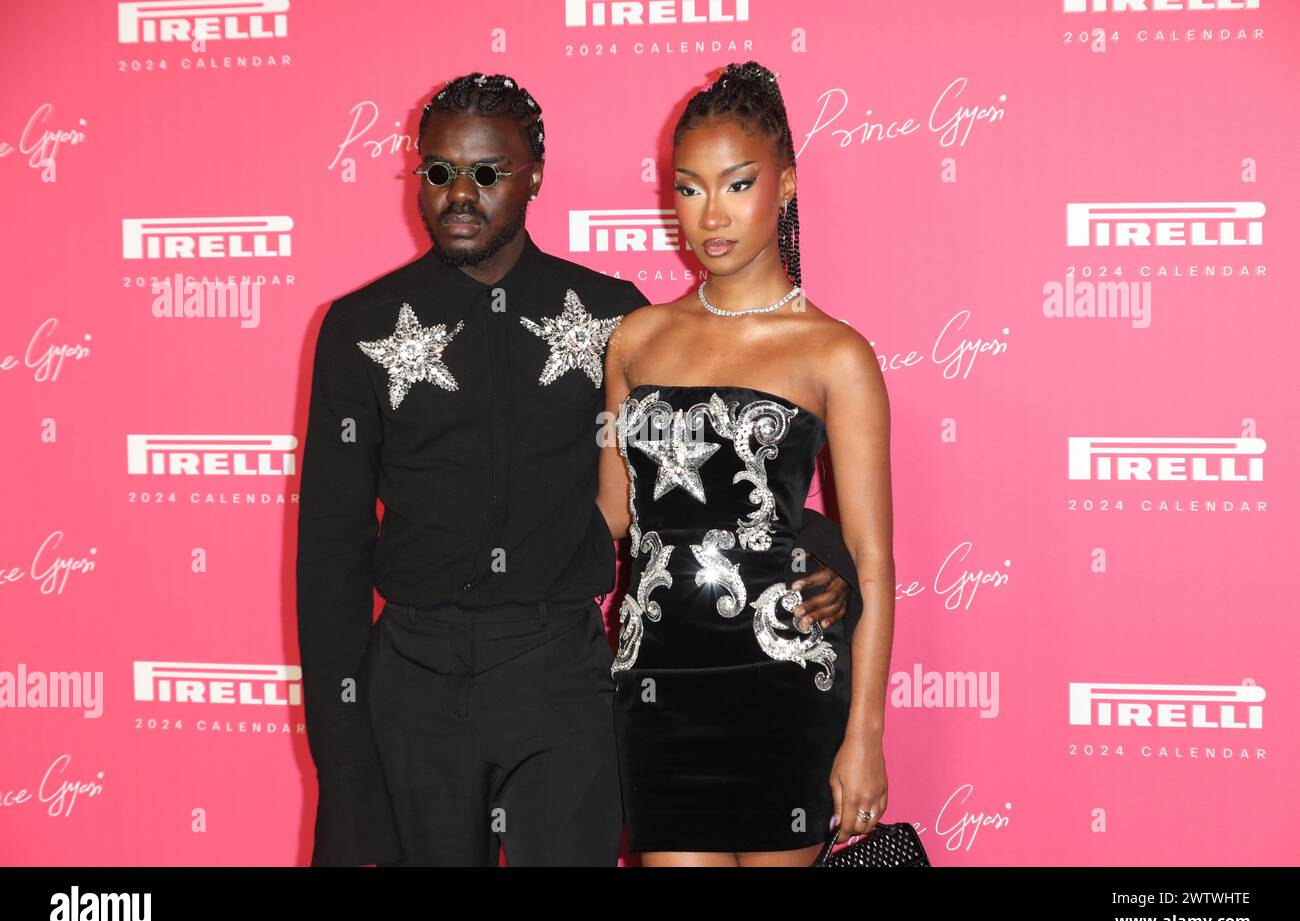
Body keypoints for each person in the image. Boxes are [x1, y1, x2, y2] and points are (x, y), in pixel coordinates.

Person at [295, 70, 859, 866]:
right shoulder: (357, 329)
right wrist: (345, 766)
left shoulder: (613, 319)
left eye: (488, 173)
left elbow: (713, 467)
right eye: (438, 171)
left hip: (560, 676)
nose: (461, 193)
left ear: (534, 177)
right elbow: (330, 557)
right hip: (412, 685)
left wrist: (828, 558)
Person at [596, 61, 896, 866]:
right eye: (688, 189)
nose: (710, 214)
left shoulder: (835, 353)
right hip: (656, 693)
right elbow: (609, 524)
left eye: (737, 184)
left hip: (784, 686)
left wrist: (864, 736)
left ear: (786, 186)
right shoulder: (635, 340)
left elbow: (872, 558)